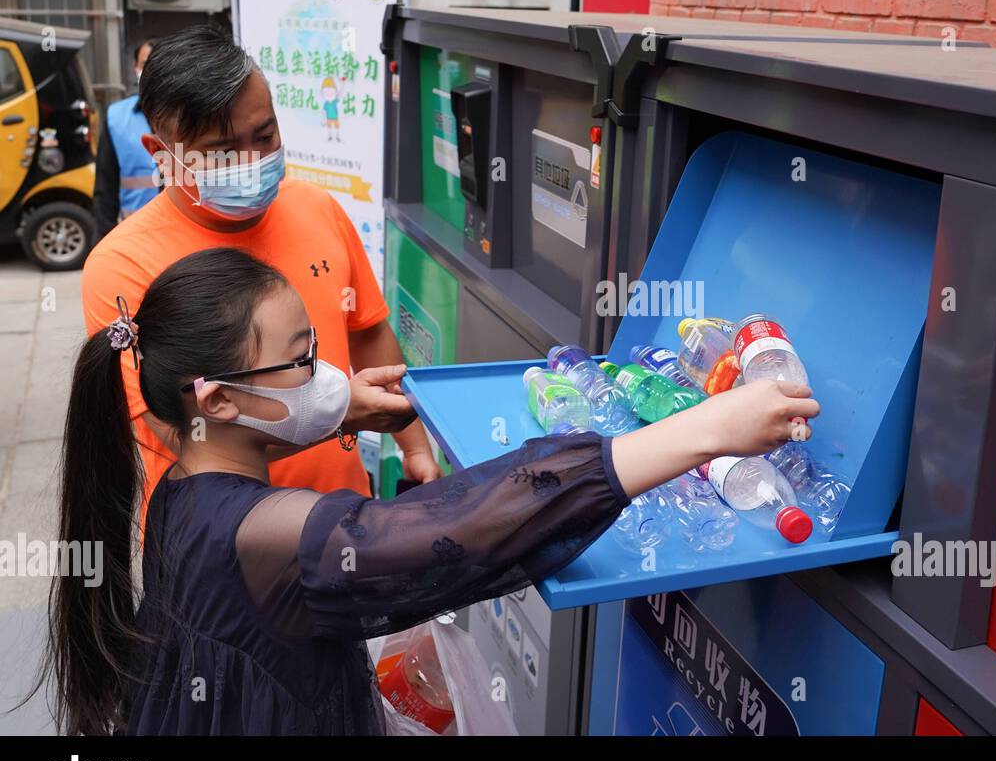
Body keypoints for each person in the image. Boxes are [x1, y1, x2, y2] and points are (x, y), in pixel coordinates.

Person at [42, 247, 819, 735]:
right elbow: (466, 526)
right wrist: (708, 429)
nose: (326, 378)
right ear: (215, 399)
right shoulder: (273, 539)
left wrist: (327, 409)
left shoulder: (181, 484)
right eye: (302, 361)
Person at [81, 25, 439, 531]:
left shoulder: (316, 208)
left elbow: (368, 330)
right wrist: (339, 414)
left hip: (344, 517)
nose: (251, 161)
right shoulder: (122, 265)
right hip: (220, 545)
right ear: (161, 152)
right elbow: (179, 434)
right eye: (222, 149)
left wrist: (414, 445)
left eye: (265, 135)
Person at [92, 39, 158, 242]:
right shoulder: (117, 117)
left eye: (157, 64)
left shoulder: (191, 114)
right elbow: (106, 182)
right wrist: (104, 237)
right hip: (135, 232)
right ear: (135, 67)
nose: (149, 71)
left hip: (183, 233)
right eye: (144, 64)